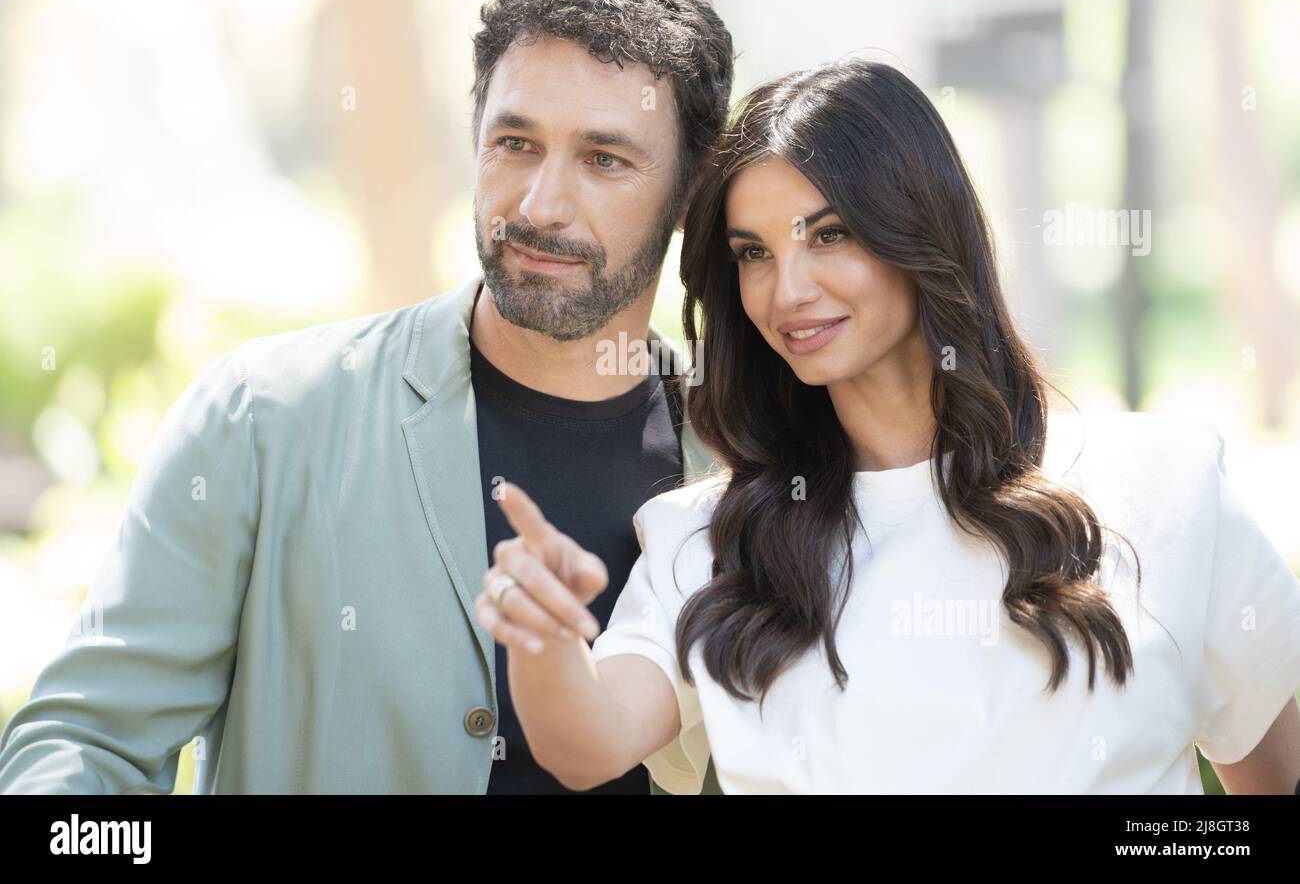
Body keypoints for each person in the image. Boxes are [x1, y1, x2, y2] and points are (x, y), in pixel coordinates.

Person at [0, 0, 734, 794]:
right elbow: (81, 754)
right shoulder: (264, 420)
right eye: (515, 144)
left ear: (690, 189)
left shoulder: (751, 472)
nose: (539, 205)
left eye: (605, 159)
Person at [477, 59, 1300, 794]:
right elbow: (590, 746)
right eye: (752, 253)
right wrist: (544, 639)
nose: (787, 289)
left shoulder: (1163, 485)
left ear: (921, 229)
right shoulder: (709, 541)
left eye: (829, 235)